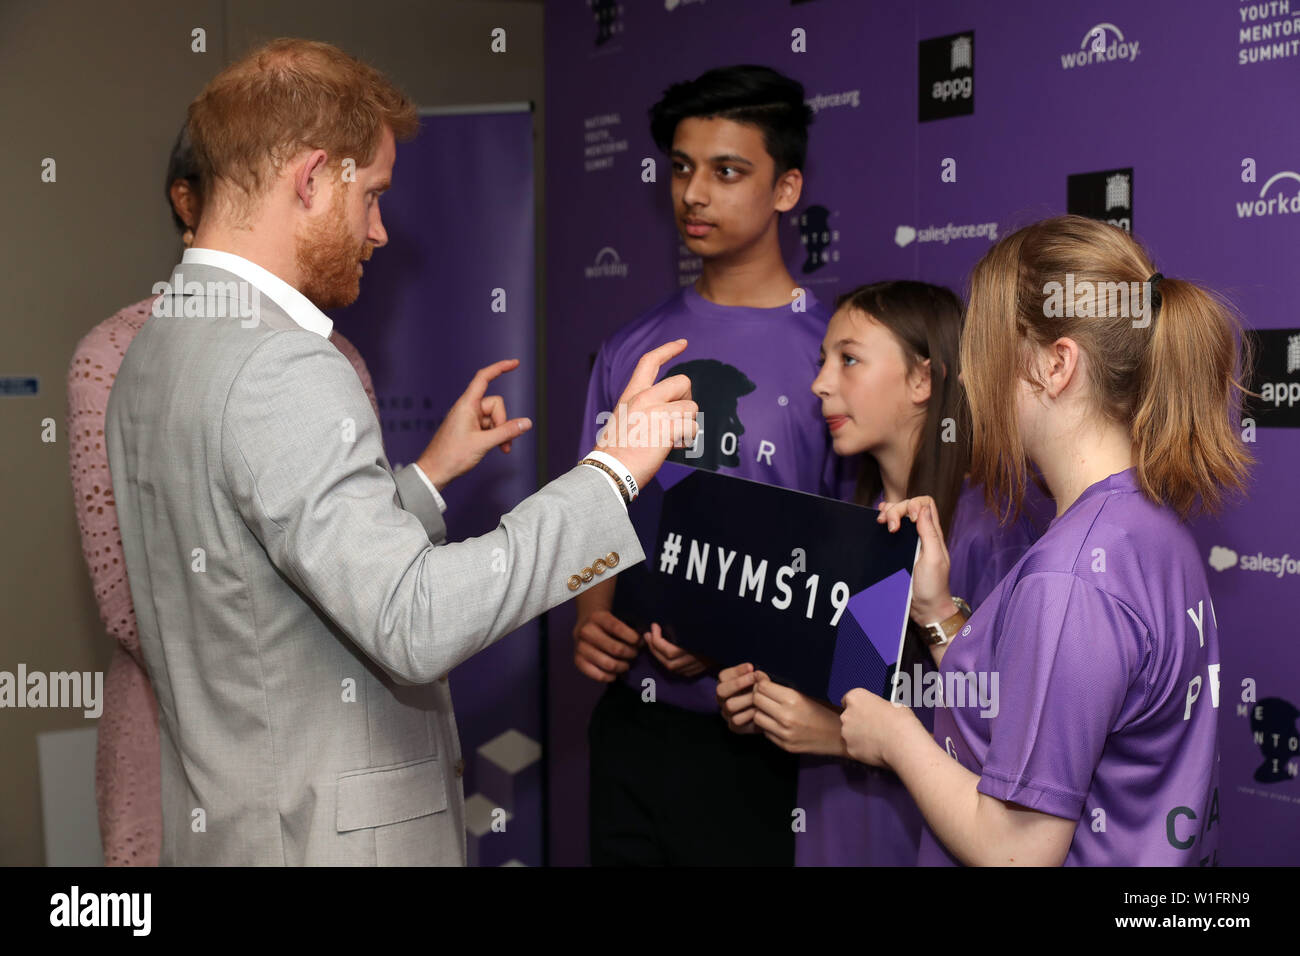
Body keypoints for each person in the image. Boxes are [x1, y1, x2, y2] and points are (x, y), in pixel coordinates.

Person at [104, 37, 696, 866]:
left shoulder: (155, 341)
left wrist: (425, 478)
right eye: (372, 195)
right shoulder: (284, 362)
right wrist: (612, 473)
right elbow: (412, 621)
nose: (379, 231)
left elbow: (255, 573)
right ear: (312, 180)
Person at [840, 214, 1251, 865]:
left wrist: (894, 736)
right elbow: (1041, 715)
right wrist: (938, 613)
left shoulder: (1070, 577)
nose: (971, 381)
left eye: (985, 351)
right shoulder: (1144, 524)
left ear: (1056, 365)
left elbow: (1017, 851)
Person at [66, 124, 389, 866]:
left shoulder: (334, 354)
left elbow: (362, 549)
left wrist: (430, 480)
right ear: (188, 201)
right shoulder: (117, 354)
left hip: (328, 731)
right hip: (172, 722)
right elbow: (127, 598)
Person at [574, 64, 850, 865]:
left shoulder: (832, 351)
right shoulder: (633, 344)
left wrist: (738, 641)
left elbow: (855, 565)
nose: (695, 193)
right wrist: (591, 620)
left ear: (786, 188)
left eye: (728, 171)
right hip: (632, 729)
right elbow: (597, 505)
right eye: (683, 168)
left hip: (763, 741)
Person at [716, 280, 1044, 865]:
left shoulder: (990, 532)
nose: (819, 383)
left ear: (923, 380)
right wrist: (763, 699)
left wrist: (836, 733)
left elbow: (1010, 738)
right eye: (823, 362)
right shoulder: (843, 526)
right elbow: (849, 687)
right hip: (831, 830)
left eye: (848, 360)